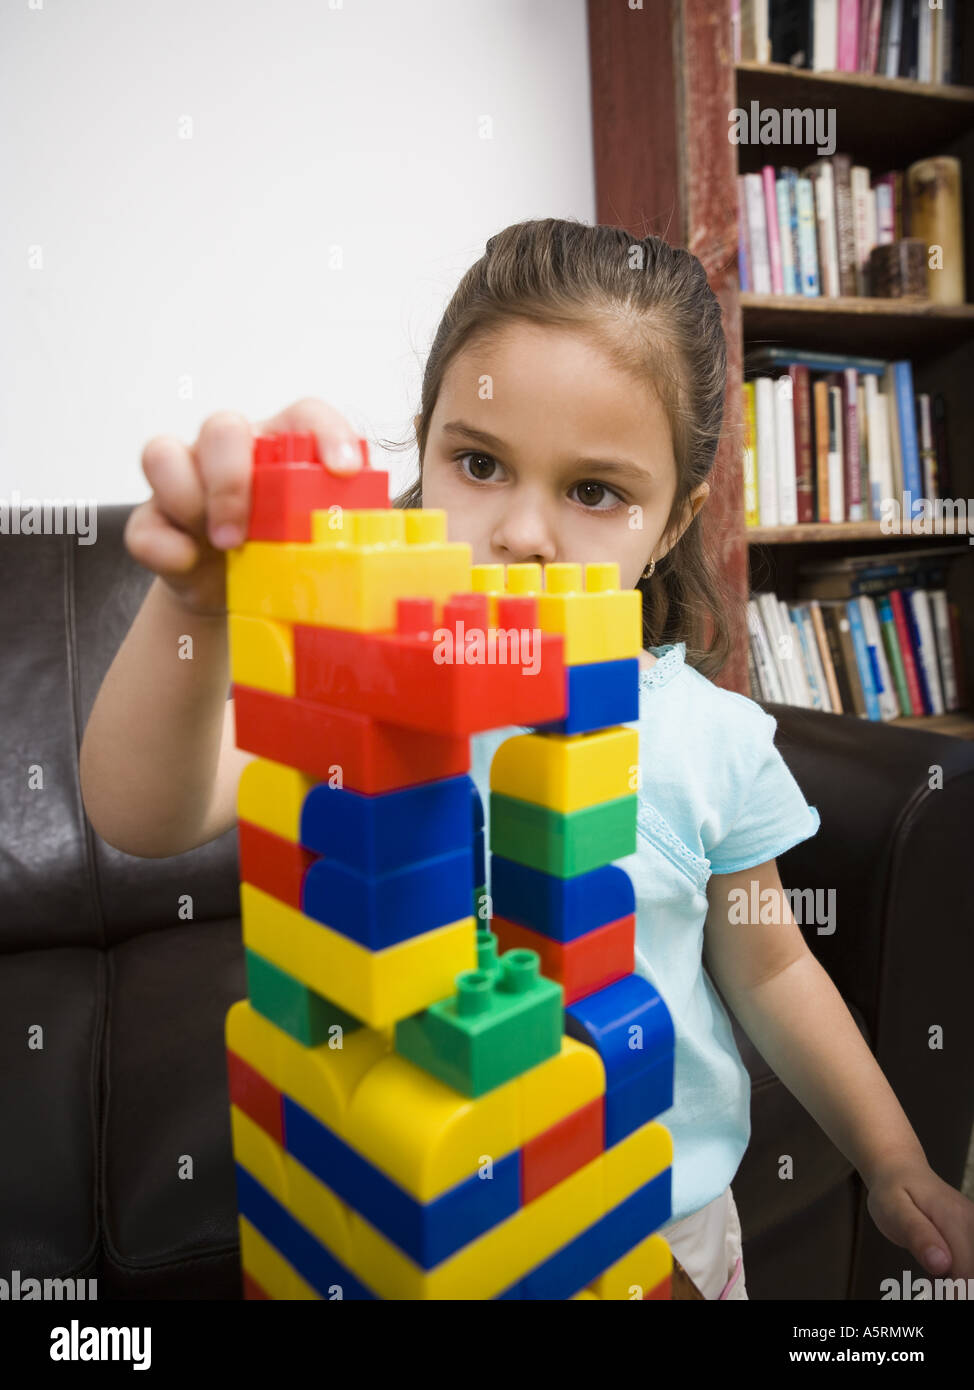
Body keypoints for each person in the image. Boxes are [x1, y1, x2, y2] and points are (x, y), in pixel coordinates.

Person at [80, 218, 974, 1300]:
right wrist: (195, 605)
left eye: (594, 491)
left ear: (669, 523)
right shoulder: (355, 685)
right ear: (424, 449)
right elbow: (141, 811)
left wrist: (889, 1157)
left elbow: (773, 965)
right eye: (479, 462)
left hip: (655, 1219)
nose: (522, 533)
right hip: (405, 1205)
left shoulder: (710, 736)